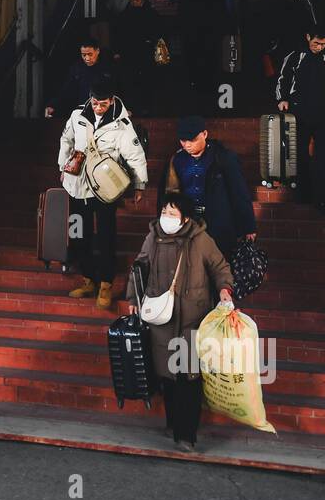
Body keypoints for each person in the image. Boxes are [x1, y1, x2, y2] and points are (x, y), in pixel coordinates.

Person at [127, 191, 234, 453]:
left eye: (172, 213)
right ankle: (173, 424)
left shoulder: (200, 239)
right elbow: (139, 266)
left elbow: (220, 267)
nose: (166, 218)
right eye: (164, 212)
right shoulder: (154, 236)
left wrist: (225, 289)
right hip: (160, 319)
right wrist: (132, 296)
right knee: (167, 377)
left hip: (191, 320)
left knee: (188, 377)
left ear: (185, 218)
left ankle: (187, 435)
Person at [56, 77, 149, 309]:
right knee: (79, 233)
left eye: (103, 104)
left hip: (106, 187)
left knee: (106, 235)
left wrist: (139, 184)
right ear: (90, 98)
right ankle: (88, 280)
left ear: (112, 100)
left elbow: (135, 155)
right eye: (95, 102)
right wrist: (62, 166)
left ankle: (106, 284)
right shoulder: (77, 115)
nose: (99, 107)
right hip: (77, 184)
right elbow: (65, 139)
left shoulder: (122, 123)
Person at [275, 27, 325, 216]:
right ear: (308, 37)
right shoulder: (295, 56)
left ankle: (323, 200)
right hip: (298, 113)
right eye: (316, 43)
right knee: (299, 155)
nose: (319, 47)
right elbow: (283, 79)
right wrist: (282, 99)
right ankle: (302, 196)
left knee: (324, 158)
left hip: (324, 114)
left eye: (324, 44)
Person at [155, 115, 256, 260]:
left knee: (219, 264)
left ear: (205, 134)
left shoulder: (223, 158)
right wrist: (162, 220)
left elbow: (239, 192)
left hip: (219, 222)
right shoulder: (177, 160)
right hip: (187, 221)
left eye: (192, 139)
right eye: (183, 140)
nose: (187, 145)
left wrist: (248, 226)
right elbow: (165, 195)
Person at [179, 0, 225, 98]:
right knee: (211, 57)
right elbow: (222, 11)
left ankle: (195, 83)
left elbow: (182, 12)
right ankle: (211, 84)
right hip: (211, 31)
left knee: (194, 57)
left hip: (193, 31)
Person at [44, 38, 114, 118]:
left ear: (97, 51)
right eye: (84, 55)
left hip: (106, 111)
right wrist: (52, 105)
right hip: (83, 111)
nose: (87, 58)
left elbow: (119, 88)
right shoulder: (76, 69)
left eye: (90, 54)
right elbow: (66, 90)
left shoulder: (108, 67)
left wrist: (128, 107)